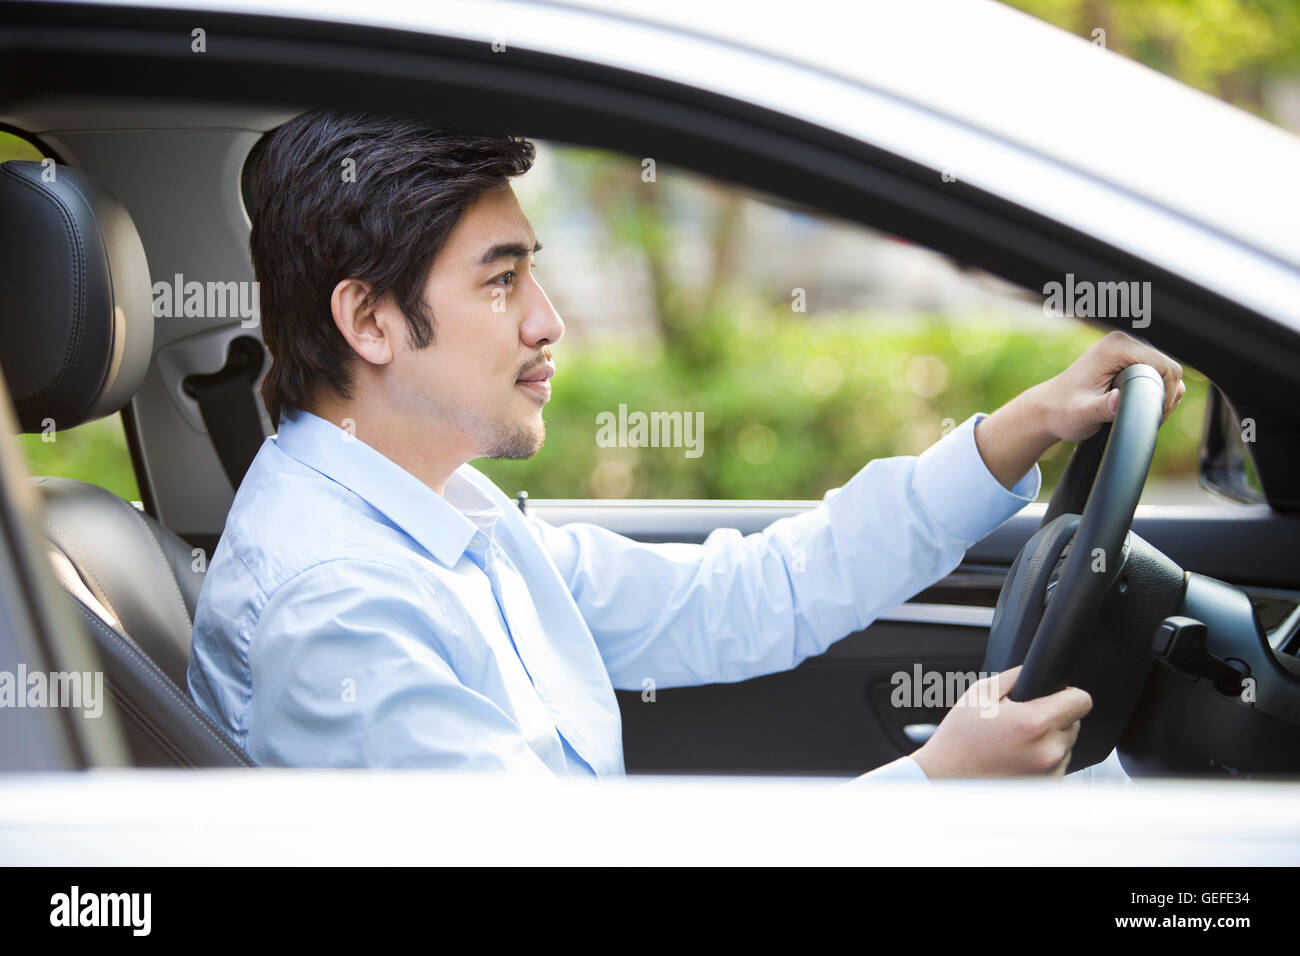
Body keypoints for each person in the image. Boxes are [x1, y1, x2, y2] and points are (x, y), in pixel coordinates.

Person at [187, 109, 1186, 782]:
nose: (549, 322)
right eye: (501, 282)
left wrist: (1013, 436)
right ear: (368, 319)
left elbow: (738, 595)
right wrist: (934, 787)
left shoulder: (443, 511)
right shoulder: (335, 608)